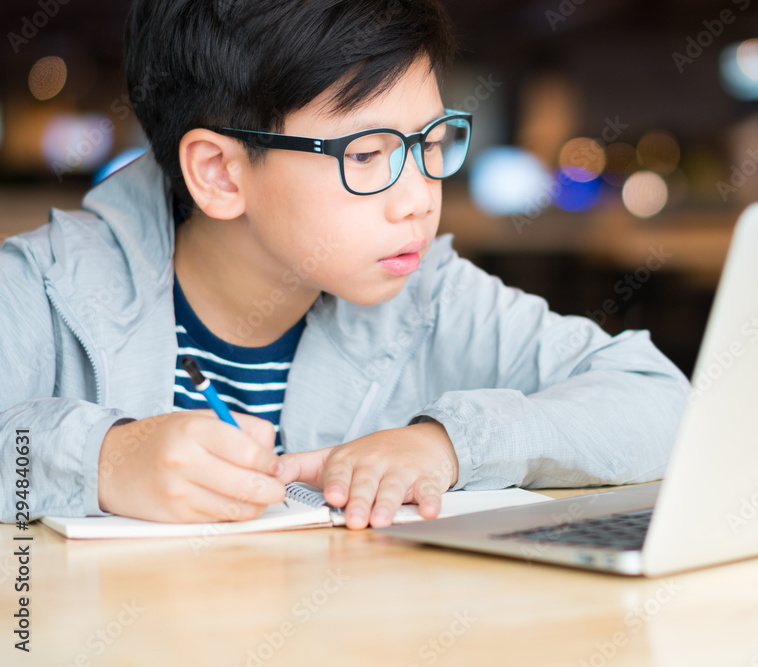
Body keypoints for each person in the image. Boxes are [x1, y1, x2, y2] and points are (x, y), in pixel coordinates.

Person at [0, 0, 690, 531]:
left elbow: (661, 402)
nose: (420, 198)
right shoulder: (41, 290)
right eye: (366, 154)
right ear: (218, 173)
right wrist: (101, 462)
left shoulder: (427, 296)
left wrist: (449, 445)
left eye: (431, 141)